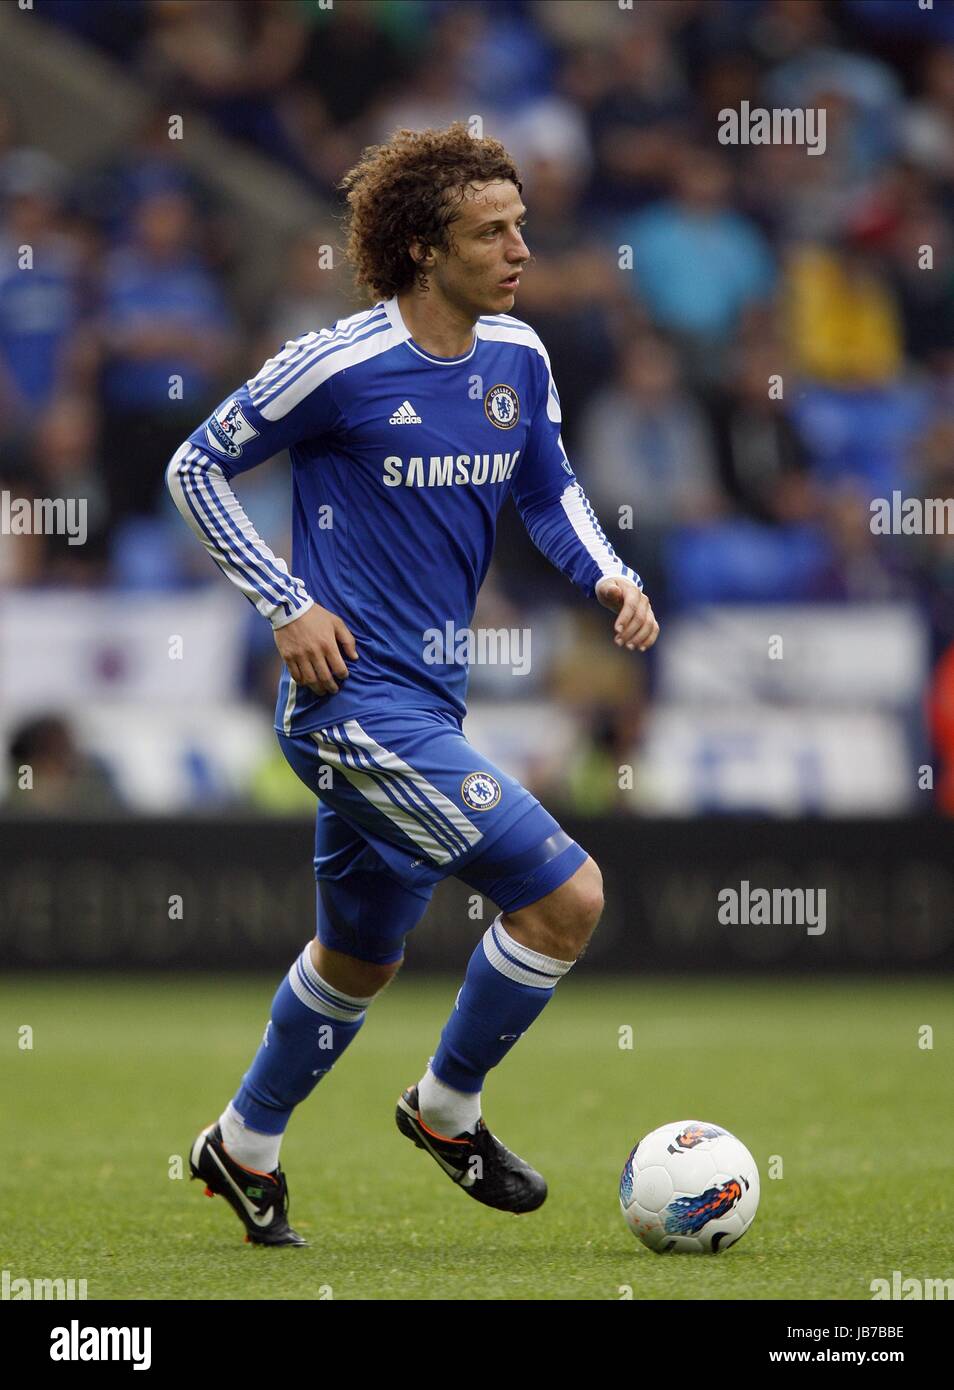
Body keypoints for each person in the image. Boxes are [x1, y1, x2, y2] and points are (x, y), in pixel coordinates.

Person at [166, 123, 658, 1246]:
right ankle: (447, 1108)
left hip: (431, 702)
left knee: (361, 954)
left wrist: (609, 575)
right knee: (566, 896)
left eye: (520, 225)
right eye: (491, 232)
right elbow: (194, 465)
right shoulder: (337, 363)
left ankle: (242, 1144)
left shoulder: (517, 359)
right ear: (424, 249)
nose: (520, 248)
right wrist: (283, 601)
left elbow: (550, 490)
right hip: (347, 707)